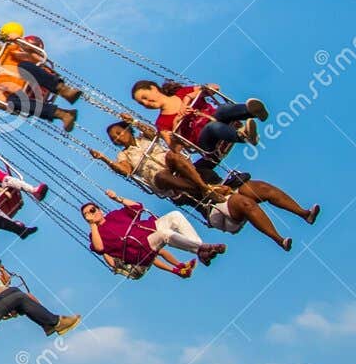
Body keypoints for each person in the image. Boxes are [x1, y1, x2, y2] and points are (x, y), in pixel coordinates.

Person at [81, 190, 226, 277]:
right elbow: (99, 248)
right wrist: (92, 224)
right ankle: (200, 249)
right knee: (165, 234)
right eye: (86, 214)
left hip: (148, 229)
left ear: (99, 210)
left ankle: (200, 248)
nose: (90, 214)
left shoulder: (114, 215)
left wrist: (117, 198)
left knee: (175, 216)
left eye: (92, 210)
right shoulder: (95, 234)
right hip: (139, 248)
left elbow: (138, 207)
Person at [0, 33, 80, 132]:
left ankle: (64, 91)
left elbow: (36, 59)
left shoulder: (8, 52)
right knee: (12, 101)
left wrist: (21, 43)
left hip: (37, 79)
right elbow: (5, 104)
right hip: (28, 96)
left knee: (23, 66)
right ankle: (63, 114)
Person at [89, 115, 221, 200]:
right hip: (155, 175)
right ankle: (203, 189)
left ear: (128, 130)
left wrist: (134, 122)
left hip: (166, 160)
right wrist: (104, 158)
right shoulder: (123, 154)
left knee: (172, 155)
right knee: (162, 176)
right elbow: (126, 171)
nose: (118, 138)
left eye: (119, 133)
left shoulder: (143, 137)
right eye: (114, 139)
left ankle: (204, 187)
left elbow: (153, 133)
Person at [131, 80, 268, 161]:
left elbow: (214, 87)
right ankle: (243, 136)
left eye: (144, 97)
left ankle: (252, 111)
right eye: (142, 103)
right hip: (204, 140)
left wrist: (189, 98)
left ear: (154, 88)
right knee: (212, 127)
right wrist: (177, 121)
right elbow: (176, 148)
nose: (146, 103)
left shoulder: (182, 93)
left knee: (222, 109)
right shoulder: (161, 122)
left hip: (214, 117)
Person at [193, 181, 318, 253]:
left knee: (263, 188)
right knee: (245, 202)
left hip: (229, 190)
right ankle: (280, 240)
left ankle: (305, 214)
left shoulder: (200, 164)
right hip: (215, 209)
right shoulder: (179, 175)